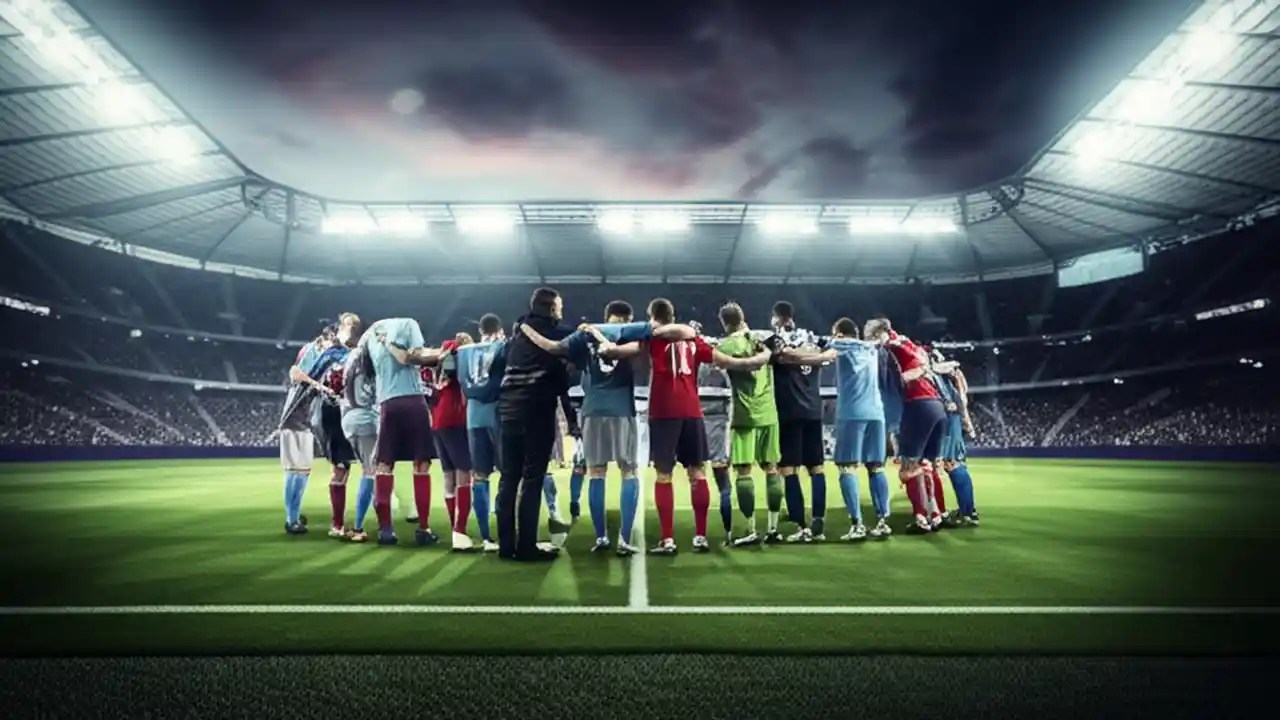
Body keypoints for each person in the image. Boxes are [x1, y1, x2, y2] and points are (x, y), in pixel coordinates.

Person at [627, 298, 772, 554]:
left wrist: (600, 341)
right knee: (698, 473)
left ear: (653, 316)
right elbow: (733, 362)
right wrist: (762, 357)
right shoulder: (695, 341)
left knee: (664, 475)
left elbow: (623, 351)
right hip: (692, 412)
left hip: (663, 412)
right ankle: (700, 537)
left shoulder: (651, 337)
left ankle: (668, 539)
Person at [781, 317, 892, 540]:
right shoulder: (871, 348)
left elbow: (820, 350)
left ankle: (857, 525)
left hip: (852, 413)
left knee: (847, 468)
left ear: (839, 333)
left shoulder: (841, 344)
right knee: (876, 467)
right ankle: (882, 522)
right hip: (877, 413)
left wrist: (788, 356)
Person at [496, 288, 575, 562]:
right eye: (560, 305)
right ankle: (526, 545)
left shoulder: (516, 335)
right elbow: (563, 379)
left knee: (508, 478)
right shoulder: (556, 333)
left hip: (508, 411)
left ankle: (506, 545)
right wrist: (572, 420)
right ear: (552, 308)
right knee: (532, 479)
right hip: (537, 411)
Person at [364, 317, 446, 546]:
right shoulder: (409, 323)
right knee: (421, 464)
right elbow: (417, 355)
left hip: (387, 403)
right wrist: (443, 353)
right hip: (412, 400)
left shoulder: (371, 334)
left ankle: (385, 530)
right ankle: (423, 528)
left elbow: (367, 369)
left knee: (384, 465)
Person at [276, 314, 359, 535]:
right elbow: (295, 373)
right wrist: (319, 386)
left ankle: (293, 515)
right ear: (328, 335)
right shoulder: (313, 350)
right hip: (294, 416)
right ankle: (291, 519)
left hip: (303, 417)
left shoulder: (320, 354)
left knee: (300, 470)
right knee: (296, 470)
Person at [864, 318, 946, 533]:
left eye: (871, 336)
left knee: (908, 468)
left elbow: (920, 367)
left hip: (917, 406)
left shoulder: (893, 345)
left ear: (882, 332)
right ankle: (935, 514)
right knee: (926, 464)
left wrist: (901, 380)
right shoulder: (910, 343)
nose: (870, 341)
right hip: (936, 406)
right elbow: (924, 364)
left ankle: (921, 517)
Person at [713, 302, 784, 546]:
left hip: (743, 415)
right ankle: (773, 528)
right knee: (772, 468)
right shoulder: (764, 337)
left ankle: (750, 530)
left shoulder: (726, 345)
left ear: (724, 322)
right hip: (769, 413)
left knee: (744, 472)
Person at [768, 301, 829, 543]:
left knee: (788, 469)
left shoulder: (775, 339)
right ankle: (818, 523)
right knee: (817, 468)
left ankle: (800, 526)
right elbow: (829, 354)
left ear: (777, 317)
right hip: (814, 409)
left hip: (790, 411)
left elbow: (776, 356)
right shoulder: (813, 340)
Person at [455, 314, 508, 552]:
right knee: (508, 474)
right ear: (499, 329)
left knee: (480, 476)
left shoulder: (466, 351)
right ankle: (508, 532)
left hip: (473, 418)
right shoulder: (503, 347)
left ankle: (486, 538)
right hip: (498, 415)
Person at [431, 334, 476, 551]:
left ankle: (455, 527)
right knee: (464, 474)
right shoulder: (458, 357)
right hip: (455, 418)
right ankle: (460, 530)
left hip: (439, 420)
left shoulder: (443, 356)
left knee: (449, 475)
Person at [931, 349, 979, 526]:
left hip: (948, 420)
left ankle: (966, 513)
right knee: (954, 463)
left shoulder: (937, 373)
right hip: (954, 420)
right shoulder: (951, 377)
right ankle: (968, 510)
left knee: (952, 464)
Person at [339, 342, 379, 543]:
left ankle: (363, 523)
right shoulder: (373, 369)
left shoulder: (351, 364)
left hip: (348, 421)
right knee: (371, 472)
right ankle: (358, 526)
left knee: (368, 470)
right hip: (366, 421)